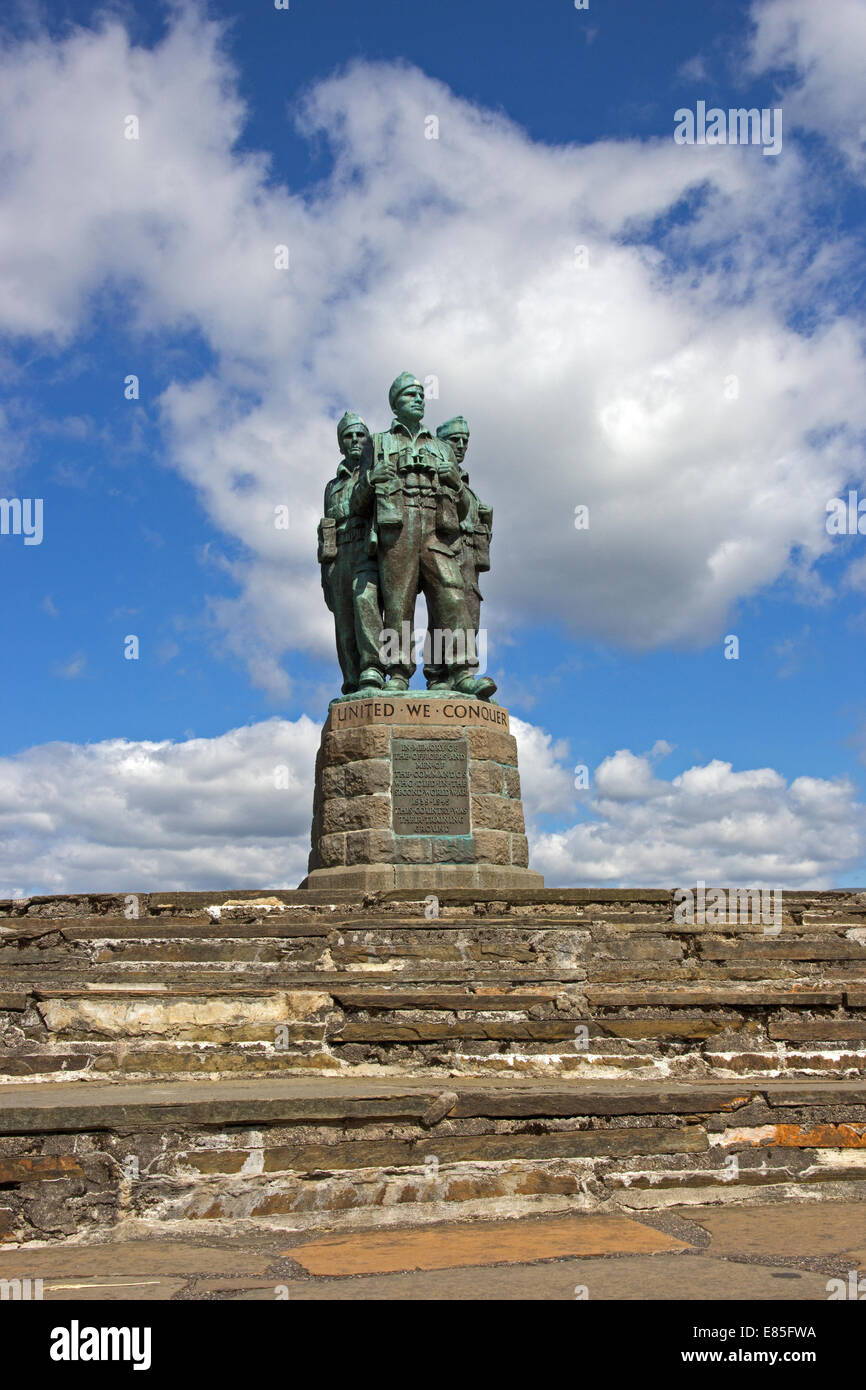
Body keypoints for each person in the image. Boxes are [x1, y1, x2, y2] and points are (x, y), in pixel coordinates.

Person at [368, 374, 495, 699]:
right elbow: (359, 501)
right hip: (398, 529)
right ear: (395, 402)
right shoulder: (379, 442)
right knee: (398, 604)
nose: (418, 399)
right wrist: (371, 480)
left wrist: (454, 482)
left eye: (421, 394)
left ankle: (462, 671)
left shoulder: (441, 448)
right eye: (410, 394)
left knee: (452, 598)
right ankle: (397, 672)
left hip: (437, 530)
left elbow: (466, 508)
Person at [318, 413, 386, 695]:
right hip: (338, 555)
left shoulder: (375, 470)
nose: (355, 440)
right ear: (341, 443)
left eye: (360, 435)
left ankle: (374, 669)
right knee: (344, 623)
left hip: (365, 549)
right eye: (349, 436)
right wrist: (326, 573)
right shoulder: (332, 487)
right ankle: (352, 682)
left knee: (365, 603)